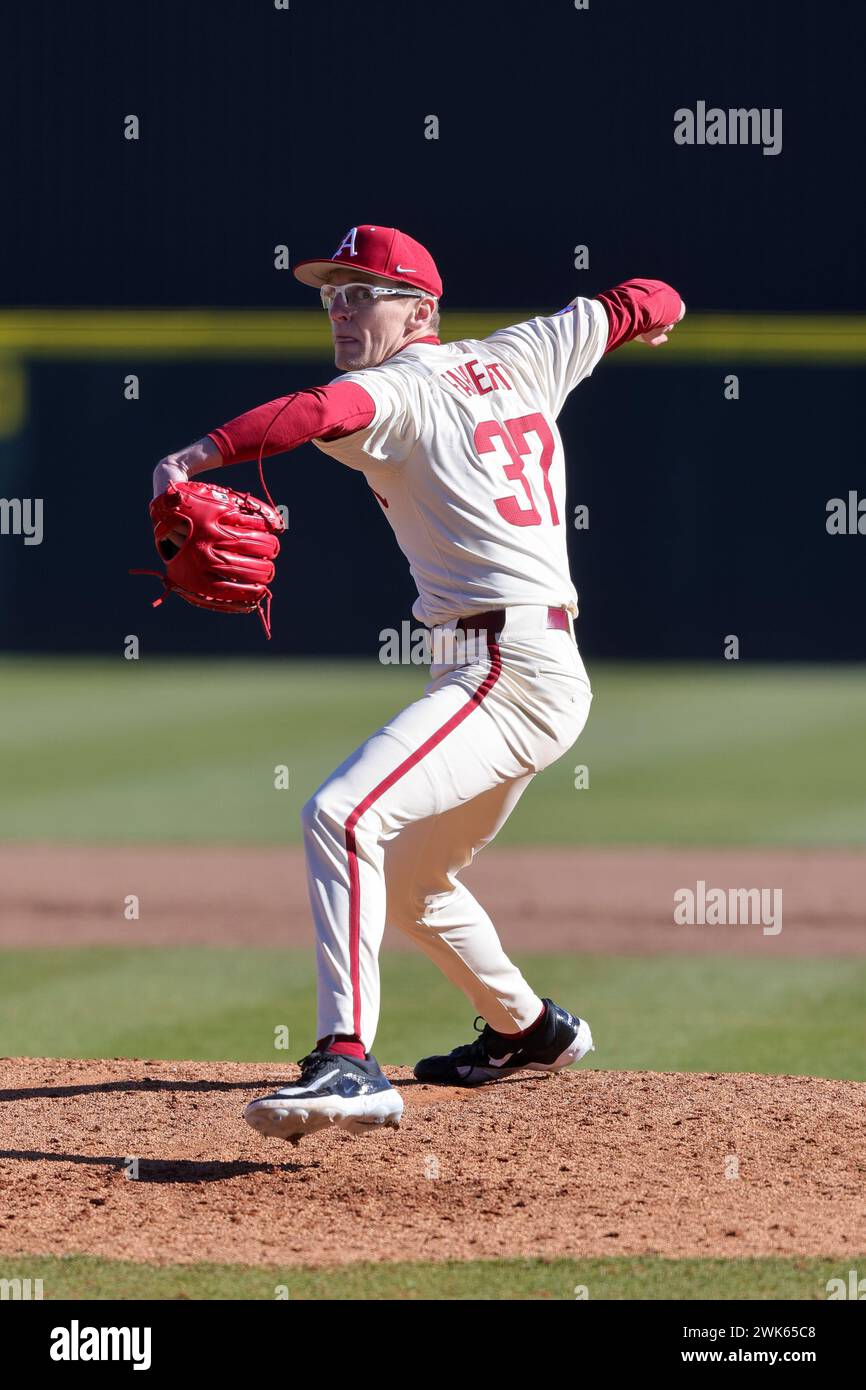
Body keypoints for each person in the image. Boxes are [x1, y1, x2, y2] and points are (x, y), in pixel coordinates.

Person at [152, 224, 685, 1142]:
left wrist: (192, 457)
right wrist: (652, 319)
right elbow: (648, 295)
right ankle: (532, 1030)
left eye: (364, 292)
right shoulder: (526, 350)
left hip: (505, 670)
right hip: (529, 663)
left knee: (343, 813)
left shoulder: (392, 390)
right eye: (331, 295)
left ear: (421, 310)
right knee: (414, 878)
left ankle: (348, 1059)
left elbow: (308, 416)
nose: (342, 310)